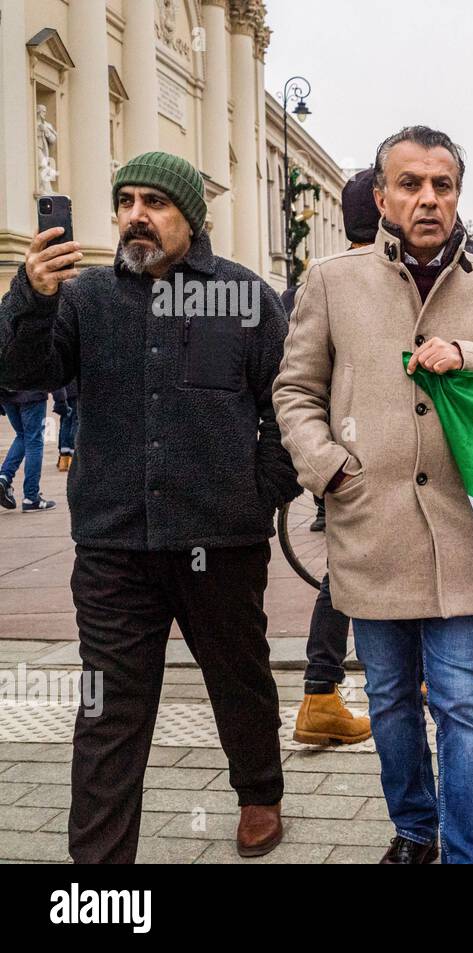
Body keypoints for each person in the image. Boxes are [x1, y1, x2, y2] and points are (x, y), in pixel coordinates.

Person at [0, 151, 302, 862]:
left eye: (156, 202)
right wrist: (30, 297)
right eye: (127, 200)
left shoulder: (244, 296)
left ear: (190, 218)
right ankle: (100, 876)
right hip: (115, 547)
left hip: (220, 541)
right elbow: (20, 373)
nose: (138, 214)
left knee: (240, 677)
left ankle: (259, 789)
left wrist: (261, 491)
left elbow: (285, 405)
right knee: (107, 714)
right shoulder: (85, 297)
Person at [274, 126, 473, 864]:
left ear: (458, 193)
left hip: (465, 532)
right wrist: (329, 466)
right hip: (370, 528)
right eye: (410, 184)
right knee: (394, 700)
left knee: (463, 703)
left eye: (443, 185)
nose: (428, 198)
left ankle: (467, 854)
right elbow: (296, 390)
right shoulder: (333, 280)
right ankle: (413, 830)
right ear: (382, 194)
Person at [280, 167, 380, 748]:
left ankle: (321, 693)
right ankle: (321, 690)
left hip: (342, 457)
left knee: (346, 569)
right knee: (349, 570)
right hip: (364, 459)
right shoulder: (354, 280)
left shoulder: (316, 279)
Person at [0, 387, 53, 511]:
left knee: (22, 436)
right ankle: (31, 497)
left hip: (7, 393)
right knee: (34, 441)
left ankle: (4, 477)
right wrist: (61, 398)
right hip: (32, 392)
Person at [53, 381, 77, 472]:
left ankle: (63, 458)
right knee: (76, 421)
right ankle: (72, 457)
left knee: (65, 421)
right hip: (76, 389)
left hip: (64, 390)